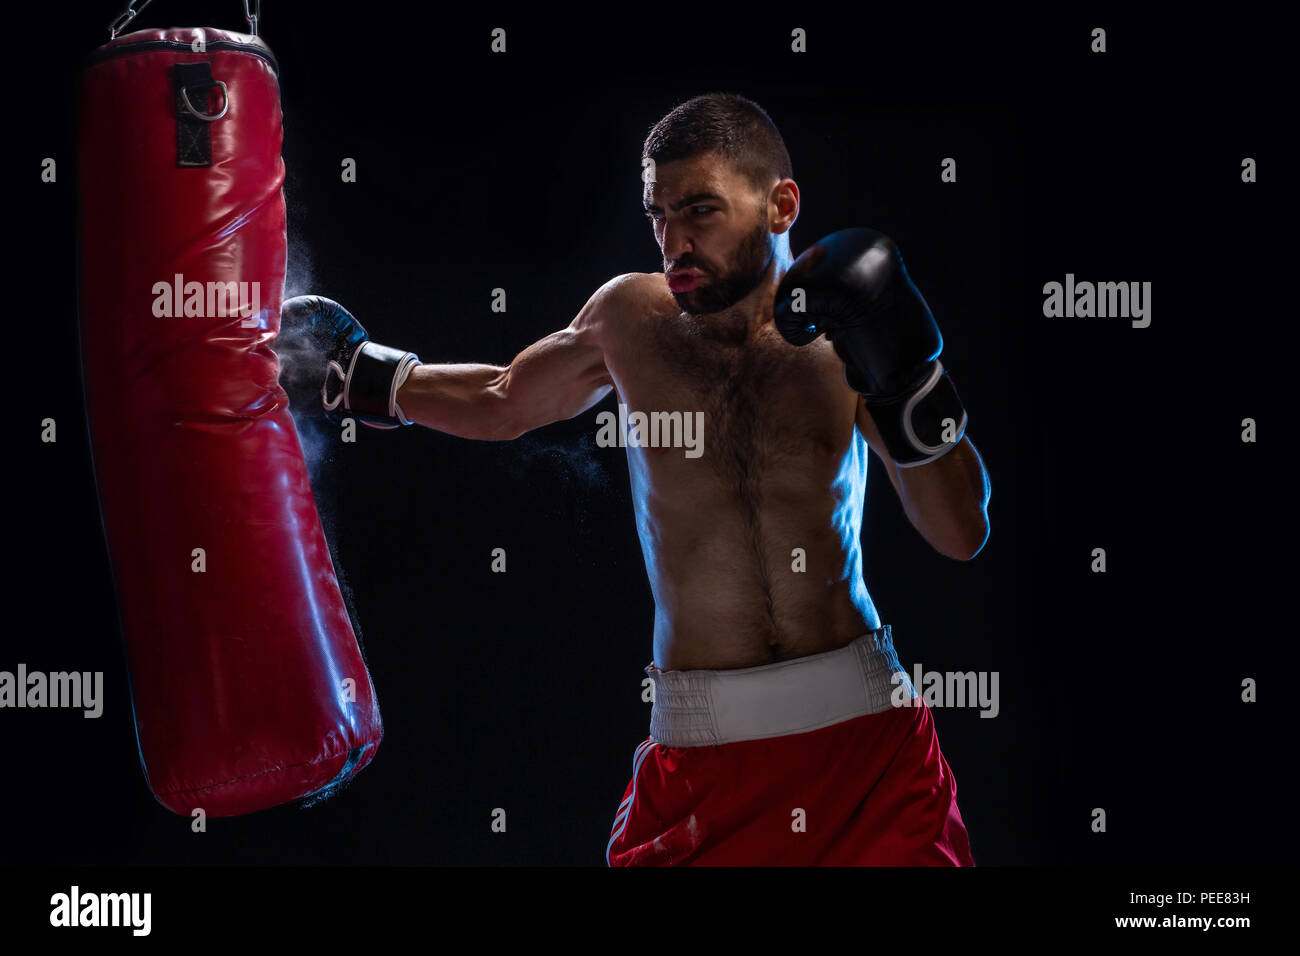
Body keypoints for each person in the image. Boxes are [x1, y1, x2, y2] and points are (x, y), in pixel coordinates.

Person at [281, 92, 990, 866]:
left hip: (868, 753)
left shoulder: (844, 336)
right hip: (703, 763)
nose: (674, 241)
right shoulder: (631, 319)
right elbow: (502, 399)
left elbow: (959, 533)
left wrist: (903, 375)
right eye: (658, 214)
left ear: (781, 205)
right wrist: (359, 376)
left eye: (701, 211)